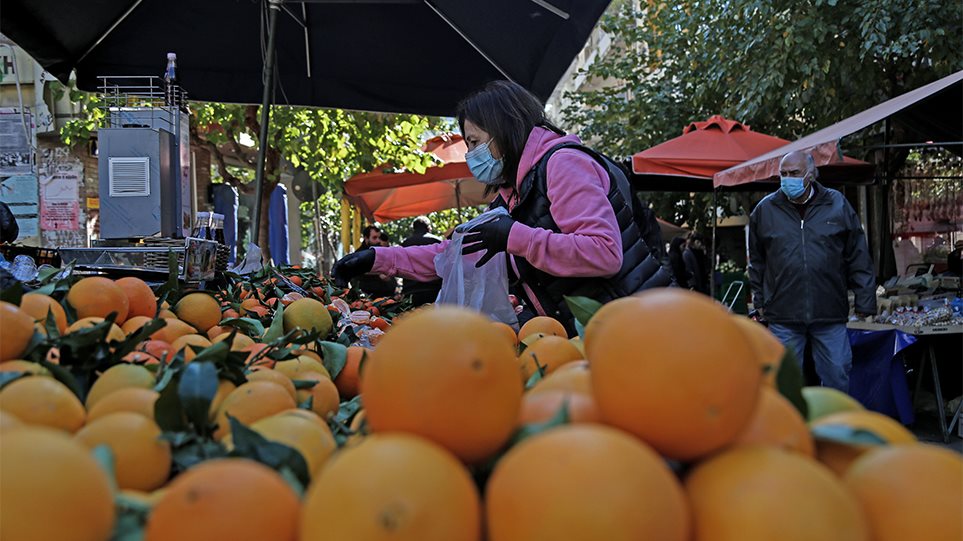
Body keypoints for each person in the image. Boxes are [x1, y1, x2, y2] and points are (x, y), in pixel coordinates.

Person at [332, 80, 670, 333]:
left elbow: (603, 252)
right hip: (586, 335)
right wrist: (378, 259)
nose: (471, 156)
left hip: (640, 329)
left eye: (476, 142)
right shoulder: (512, 195)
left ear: (504, 128)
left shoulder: (563, 164)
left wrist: (516, 237)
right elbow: (454, 256)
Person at [748, 150, 877, 392]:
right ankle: (790, 428)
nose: (788, 179)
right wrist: (760, 299)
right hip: (783, 313)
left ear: (811, 174)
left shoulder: (837, 204)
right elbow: (757, 261)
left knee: (838, 373)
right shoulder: (765, 211)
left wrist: (865, 302)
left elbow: (858, 255)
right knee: (783, 382)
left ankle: (833, 426)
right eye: (783, 174)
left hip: (829, 310)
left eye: (794, 173)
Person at [400, 216, 443, 306]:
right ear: (429, 228)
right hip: (434, 290)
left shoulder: (406, 243)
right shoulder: (437, 241)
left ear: (413, 229)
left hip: (411, 290)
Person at [354, 225, 397, 299]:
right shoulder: (359, 255)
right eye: (374, 238)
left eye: (379, 237)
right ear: (366, 238)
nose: (378, 241)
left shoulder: (381, 251)